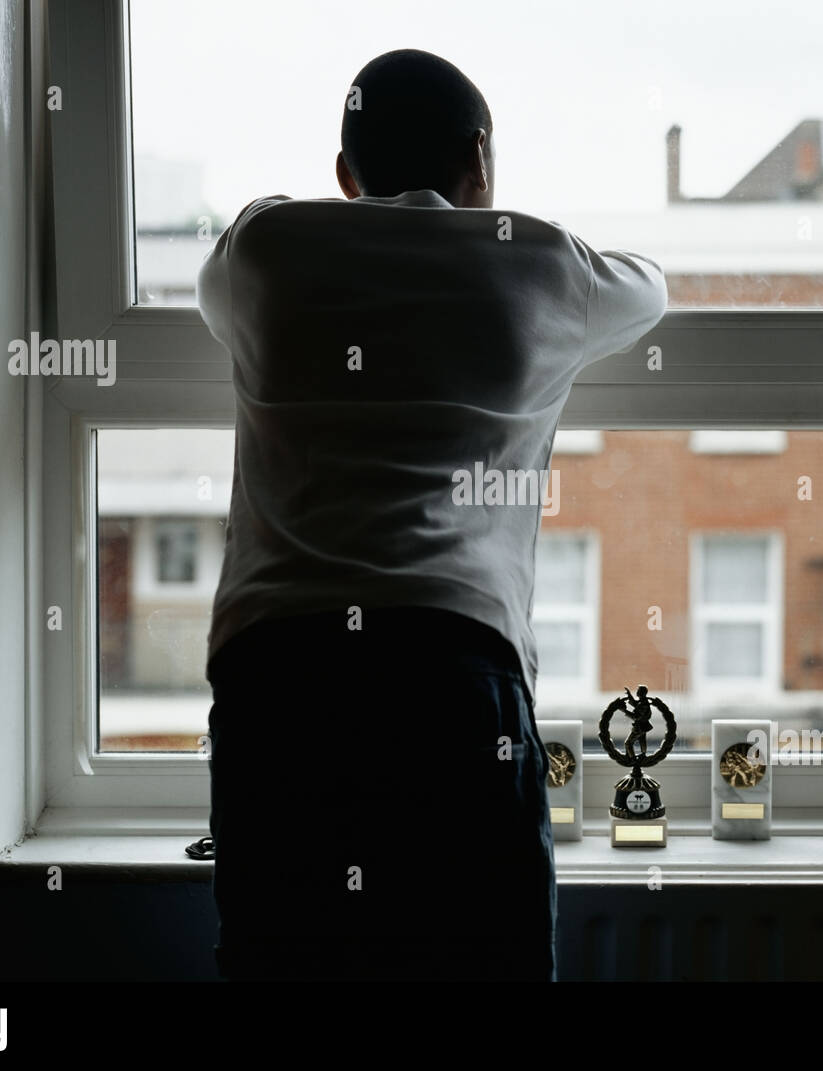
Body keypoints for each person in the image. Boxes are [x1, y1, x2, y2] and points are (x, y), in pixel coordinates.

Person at [197, 49, 668, 981]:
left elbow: (231, 278)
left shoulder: (264, 250)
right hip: (450, 669)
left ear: (344, 176)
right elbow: (648, 286)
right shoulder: (538, 263)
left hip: (279, 678)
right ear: (481, 161)